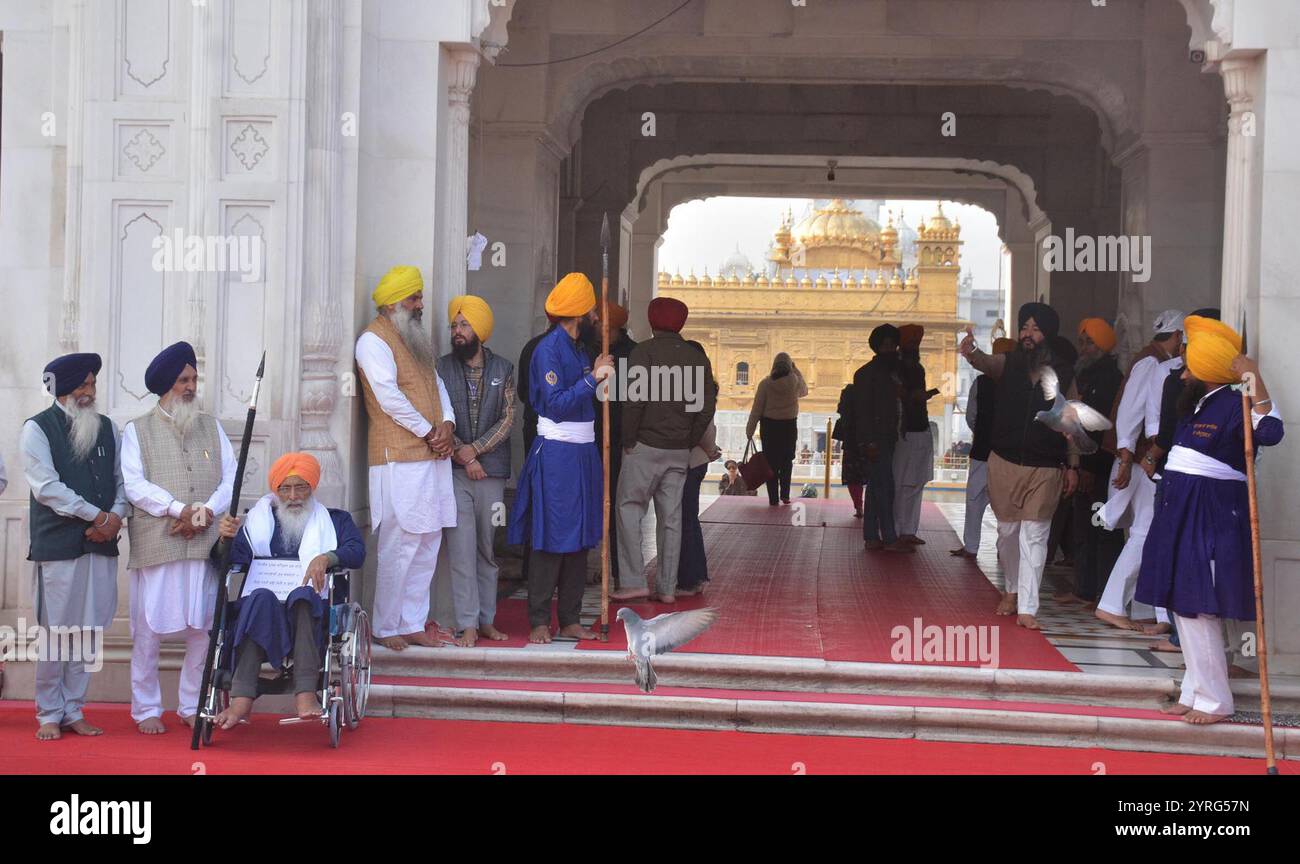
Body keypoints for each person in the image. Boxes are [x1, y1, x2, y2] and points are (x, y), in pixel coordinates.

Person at [1136, 316, 1283, 724]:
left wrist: (1252, 374)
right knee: (1183, 605)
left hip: (1211, 518)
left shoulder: (1235, 402)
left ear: (1203, 370)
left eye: (1188, 365)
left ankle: (1216, 701)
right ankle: (1194, 689)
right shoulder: (1198, 404)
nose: (1182, 372)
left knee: (1199, 607)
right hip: (1182, 514)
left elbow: (1270, 430)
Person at [123, 341, 237, 734]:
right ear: (165, 386)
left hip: (202, 544)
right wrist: (178, 509)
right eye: (183, 380)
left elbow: (230, 478)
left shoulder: (212, 426)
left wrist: (204, 510)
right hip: (160, 542)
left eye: (193, 379)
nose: (190, 387)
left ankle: (191, 704)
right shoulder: (137, 430)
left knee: (202, 630)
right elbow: (134, 485)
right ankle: (146, 709)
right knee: (148, 631)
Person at [211, 453, 366, 728]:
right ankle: (241, 698)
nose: (293, 496)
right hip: (262, 612)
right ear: (276, 490)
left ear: (312, 488)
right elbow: (226, 561)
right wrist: (225, 538)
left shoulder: (335, 521)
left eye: (301, 487)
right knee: (259, 598)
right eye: (285, 488)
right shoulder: (258, 523)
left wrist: (327, 557)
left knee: (303, 596)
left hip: (309, 613)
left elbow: (356, 551)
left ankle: (306, 692)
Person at [23, 353, 127, 740]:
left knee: (88, 632)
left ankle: (74, 709)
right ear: (63, 388)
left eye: (92, 384)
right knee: (56, 632)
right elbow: (46, 487)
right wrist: (96, 517)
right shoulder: (37, 428)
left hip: (100, 543)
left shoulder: (107, 428)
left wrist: (113, 517)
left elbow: (121, 482)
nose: (89, 392)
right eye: (82, 385)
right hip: (58, 546)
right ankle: (49, 711)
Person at [354, 266, 457, 652]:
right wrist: (429, 432)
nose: (420, 304)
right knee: (400, 543)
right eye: (414, 298)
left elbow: (438, 385)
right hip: (399, 458)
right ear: (394, 301)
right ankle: (384, 625)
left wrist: (446, 423)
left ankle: (412, 621)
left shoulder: (414, 338)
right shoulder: (372, 341)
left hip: (432, 456)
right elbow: (388, 397)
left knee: (429, 538)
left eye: (419, 297)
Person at [959, 303, 1080, 629]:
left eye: (1035, 328)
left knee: (1035, 536)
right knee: (1007, 534)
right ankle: (1011, 589)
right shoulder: (1009, 363)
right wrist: (971, 352)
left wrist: (1073, 465)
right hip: (1006, 462)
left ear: (1048, 333)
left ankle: (1028, 606)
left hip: (1046, 466)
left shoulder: (1065, 373)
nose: (1028, 334)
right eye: (1024, 327)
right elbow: (986, 362)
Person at [508, 273, 612, 643]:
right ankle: (539, 620)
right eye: (593, 313)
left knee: (580, 538)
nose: (598, 319)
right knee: (550, 539)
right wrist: (591, 381)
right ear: (578, 315)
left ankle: (569, 618)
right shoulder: (547, 350)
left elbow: (587, 400)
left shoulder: (581, 350)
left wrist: (600, 377)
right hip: (556, 456)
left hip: (583, 455)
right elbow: (554, 405)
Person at [612, 298, 716, 604]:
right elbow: (706, 407)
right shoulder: (697, 359)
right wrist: (688, 439)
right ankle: (668, 588)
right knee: (671, 519)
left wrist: (628, 439)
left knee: (629, 509)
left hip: (644, 446)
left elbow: (633, 402)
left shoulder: (643, 352)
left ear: (652, 320)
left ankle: (633, 581)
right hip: (678, 451)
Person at [1095, 310, 1185, 632]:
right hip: (1145, 460)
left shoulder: (1157, 362)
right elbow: (1132, 412)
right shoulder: (1152, 364)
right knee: (1145, 532)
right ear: (1177, 337)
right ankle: (1113, 603)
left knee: (1149, 533)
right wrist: (1126, 457)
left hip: (1143, 459)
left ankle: (1153, 610)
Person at [437, 295, 515, 647]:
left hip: (492, 474)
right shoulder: (440, 368)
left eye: (464, 325)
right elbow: (434, 418)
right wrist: (463, 456)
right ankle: (467, 622)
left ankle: (487, 621)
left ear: (480, 330)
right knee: (461, 547)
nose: (457, 331)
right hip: (454, 473)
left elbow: (508, 419)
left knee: (487, 548)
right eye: (455, 325)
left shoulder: (504, 369)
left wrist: (477, 450)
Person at [1059, 318, 1124, 605]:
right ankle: (1084, 589)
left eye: (1088, 343)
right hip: (1087, 463)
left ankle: (1099, 592)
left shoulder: (1109, 377)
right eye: (1082, 342)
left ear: (1102, 347)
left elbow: (1101, 428)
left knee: (1101, 529)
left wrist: (1088, 468)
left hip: (1098, 466)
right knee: (1084, 528)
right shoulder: (1087, 375)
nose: (1082, 348)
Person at [951, 337, 1016, 559]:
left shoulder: (981, 383)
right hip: (1008, 454)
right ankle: (1003, 549)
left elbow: (971, 417)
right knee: (1006, 504)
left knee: (975, 499)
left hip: (983, 450)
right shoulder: (1022, 383)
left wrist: (982, 433)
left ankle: (971, 547)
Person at [587, 300, 637, 587]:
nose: (597, 330)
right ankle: (591, 567)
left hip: (619, 444)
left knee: (617, 508)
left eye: (602, 326)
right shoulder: (590, 352)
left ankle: (618, 572)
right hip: (589, 440)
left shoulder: (634, 355)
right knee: (591, 505)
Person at [851, 324, 911, 553]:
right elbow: (863, 412)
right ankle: (888, 537)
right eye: (886, 345)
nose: (891, 349)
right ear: (877, 347)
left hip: (889, 437)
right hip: (876, 440)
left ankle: (871, 537)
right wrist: (869, 442)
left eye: (893, 345)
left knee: (877, 488)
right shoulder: (866, 375)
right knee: (885, 488)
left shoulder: (892, 374)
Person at [677, 342, 721, 596]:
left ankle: (689, 577)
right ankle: (694, 575)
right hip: (698, 459)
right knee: (688, 518)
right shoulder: (704, 386)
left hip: (688, 458)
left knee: (683, 519)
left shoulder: (689, 386)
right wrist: (710, 449)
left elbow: (701, 428)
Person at [746, 353, 807, 506]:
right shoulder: (794, 382)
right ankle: (785, 495)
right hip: (789, 426)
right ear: (789, 366)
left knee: (770, 463)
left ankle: (773, 498)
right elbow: (805, 391)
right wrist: (796, 370)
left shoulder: (765, 384)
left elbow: (757, 409)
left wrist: (750, 430)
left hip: (769, 427)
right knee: (787, 461)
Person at [893, 324, 935, 544]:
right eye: (911, 342)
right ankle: (897, 530)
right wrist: (914, 396)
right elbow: (899, 395)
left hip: (920, 428)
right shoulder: (897, 367)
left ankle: (909, 530)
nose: (915, 346)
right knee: (901, 482)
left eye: (917, 342)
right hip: (904, 431)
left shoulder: (917, 368)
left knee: (916, 482)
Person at [834, 383, 865, 517]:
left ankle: (858, 506)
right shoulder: (866, 409)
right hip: (866, 446)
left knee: (853, 479)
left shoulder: (845, 412)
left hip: (850, 447)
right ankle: (874, 508)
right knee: (870, 477)